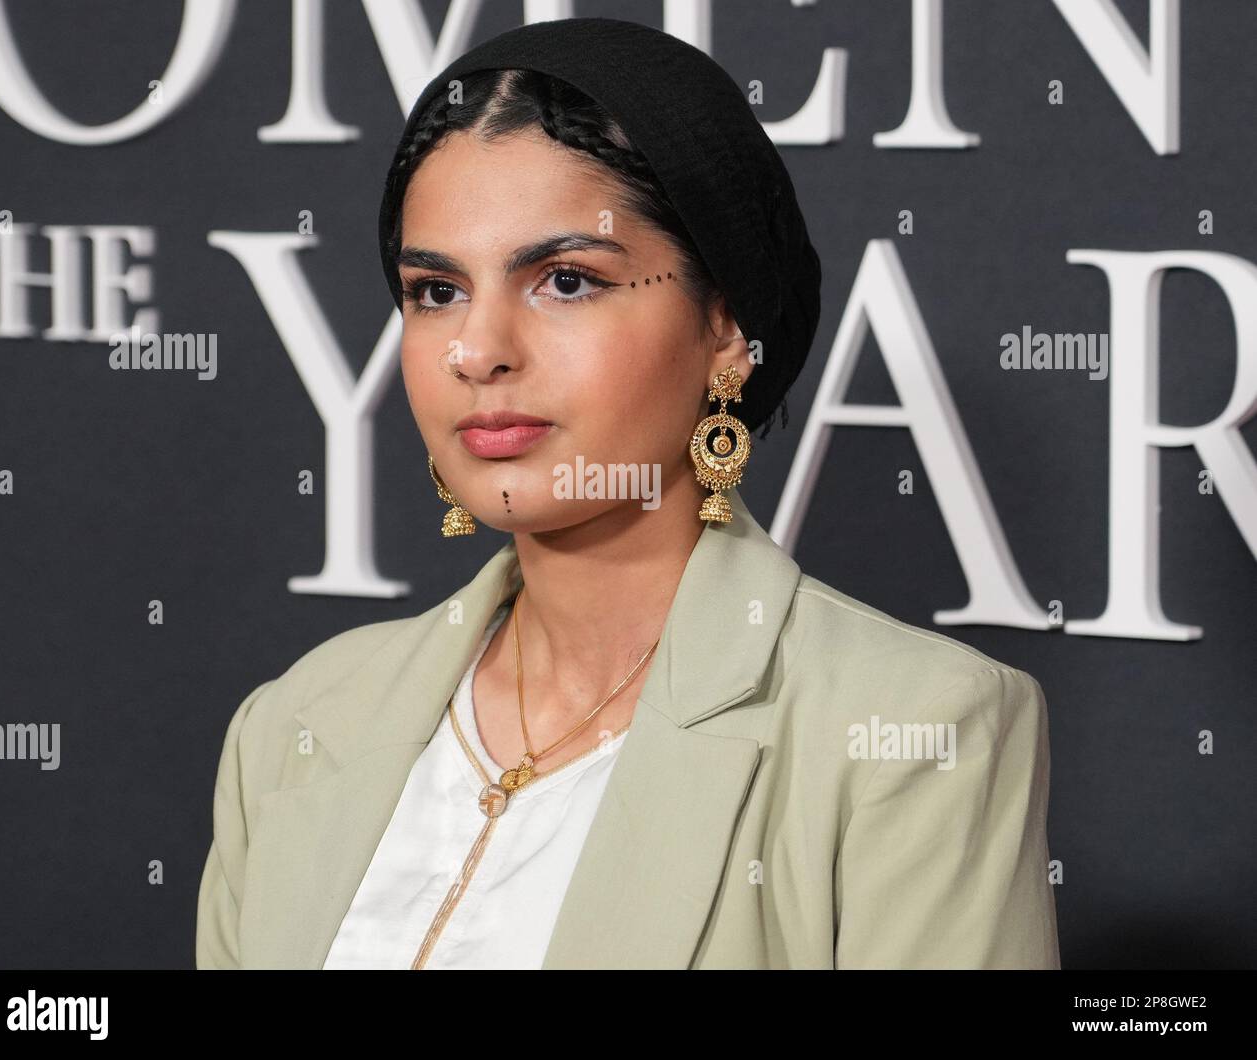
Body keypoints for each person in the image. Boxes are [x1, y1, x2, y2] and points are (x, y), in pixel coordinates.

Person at [195, 17, 1060, 970]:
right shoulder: (297, 724)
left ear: (726, 328)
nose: (477, 351)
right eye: (436, 291)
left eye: (566, 281)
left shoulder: (912, 732)